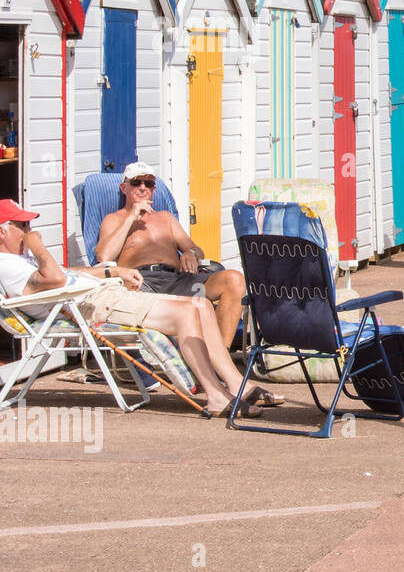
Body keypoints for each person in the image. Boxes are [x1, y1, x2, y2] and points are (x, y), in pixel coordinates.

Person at [0, 199, 274, 418]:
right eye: (22, 225)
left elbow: (68, 271)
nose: (28, 231)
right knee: (187, 312)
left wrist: (113, 271)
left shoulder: (20, 258)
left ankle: (236, 383)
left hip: (104, 292)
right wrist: (38, 248)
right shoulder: (7, 262)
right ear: (3, 230)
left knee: (201, 303)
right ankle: (215, 394)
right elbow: (56, 280)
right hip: (89, 305)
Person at [95, 163, 246, 348]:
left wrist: (190, 254)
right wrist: (131, 216)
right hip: (141, 284)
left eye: (148, 183)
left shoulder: (166, 218)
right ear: (123, 187)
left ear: (154, 189)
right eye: (136, 182)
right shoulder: (114, 220)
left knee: (234, 280)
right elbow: (104, 256)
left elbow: (196, 249)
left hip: (178, 282)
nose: (143, 187)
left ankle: (220, 355)